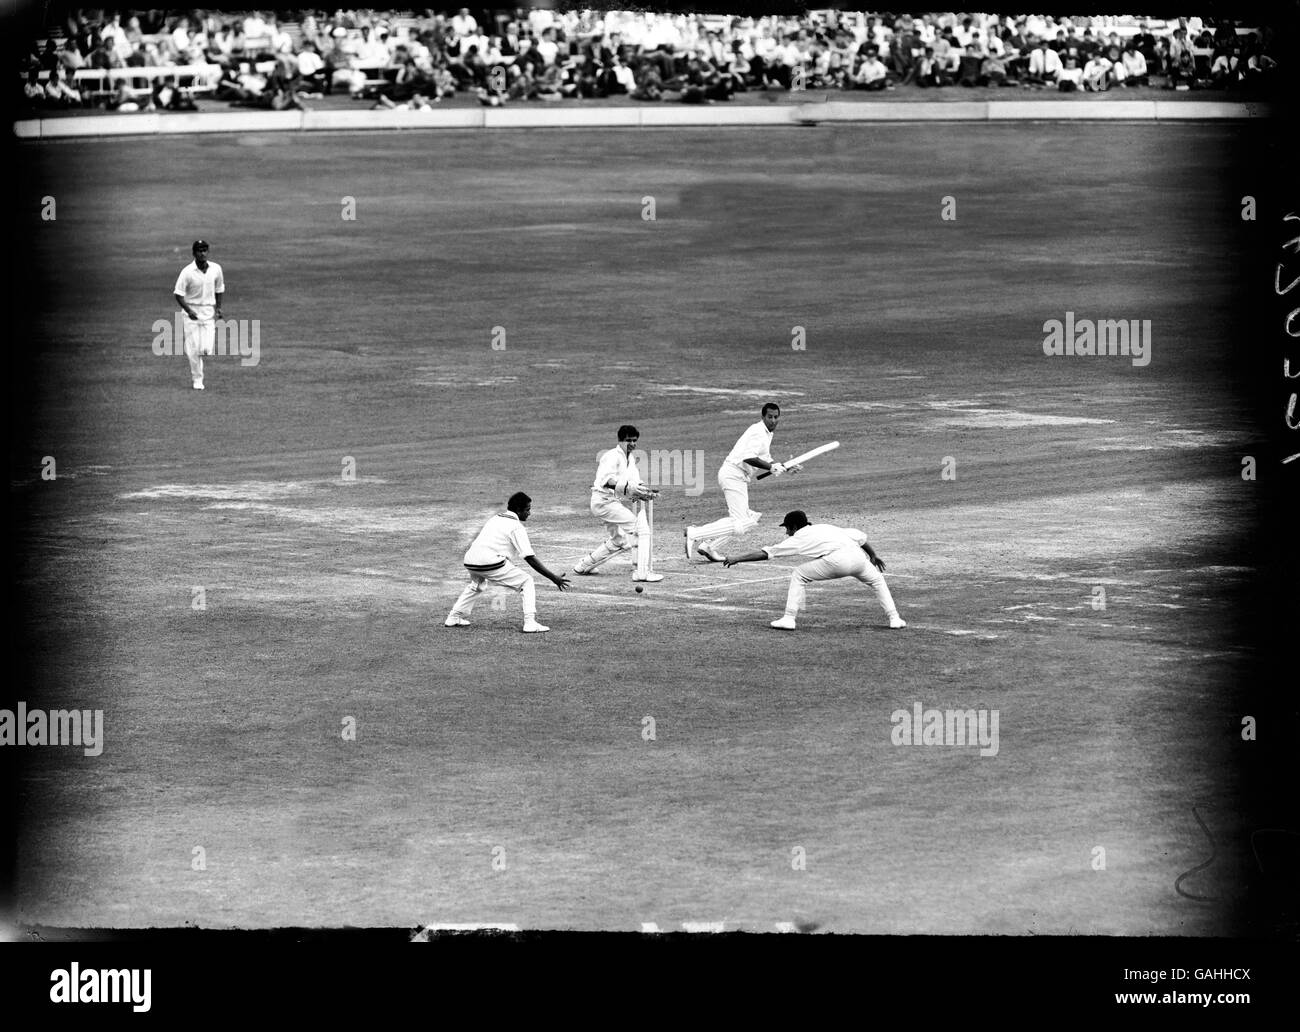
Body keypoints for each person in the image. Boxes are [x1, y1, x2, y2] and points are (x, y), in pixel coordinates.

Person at [722, 509, 906, 631]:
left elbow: (768, 553)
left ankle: (789, 618)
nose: (787, 533)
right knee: (877, 581)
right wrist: (873, 556)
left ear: (794, 527)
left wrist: (737, 558)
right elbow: (860, 537)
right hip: (858, 557)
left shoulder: (799, 537)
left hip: (837, 560)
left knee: (799, 574)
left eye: (787, 528)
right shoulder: (825, 527)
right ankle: (895, 619)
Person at [685, 403, 800, 562]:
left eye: (776, 417)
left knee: (751, 519)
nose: (773, 420)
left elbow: (766, 459)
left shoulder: (767, 433)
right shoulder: (758, 432)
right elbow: (749, 457)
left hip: (737, 477)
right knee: (741, 523)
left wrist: (785, 467)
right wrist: (771, 467)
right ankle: (695, 533)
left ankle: (709, 546)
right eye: (770, 417)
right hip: (733, 474)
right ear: (763, 417)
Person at [444, 492, 569, 633]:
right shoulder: (516, 527)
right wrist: (554, 578)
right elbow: (530, 558)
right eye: (527, 509)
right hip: (490, 562)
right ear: (518, 510)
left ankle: (454, 617)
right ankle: (530, 622)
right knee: (526, 581)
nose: (529, 513)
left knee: (478, 585)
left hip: (470, 560)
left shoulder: (496, 518)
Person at [573, 425, 661, 580]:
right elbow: (607, 481)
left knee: (619, 541)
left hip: (610, 502)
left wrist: (646, 491)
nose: (632, 444)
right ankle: (642, 573)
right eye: (629, 441)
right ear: (620, 441)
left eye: (635, 441)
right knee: (641, 530)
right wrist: (628, 488)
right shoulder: (612, 456)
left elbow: (634, 482)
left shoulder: (630, 458)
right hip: (604, 502)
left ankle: (584, 566)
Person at [172, 240, 224, 390]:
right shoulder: (187, 272)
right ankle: (197, 380)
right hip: (191, 312)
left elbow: (219, 289)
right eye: (199, 251)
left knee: (206, 349)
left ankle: (194, 348)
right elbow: (178, 294)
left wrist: (219, 308)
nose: (203, 253)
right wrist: (189, 311)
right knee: (194, 350)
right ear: (194, 253)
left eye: (205, 250)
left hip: (208, 311)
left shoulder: (216, 269)